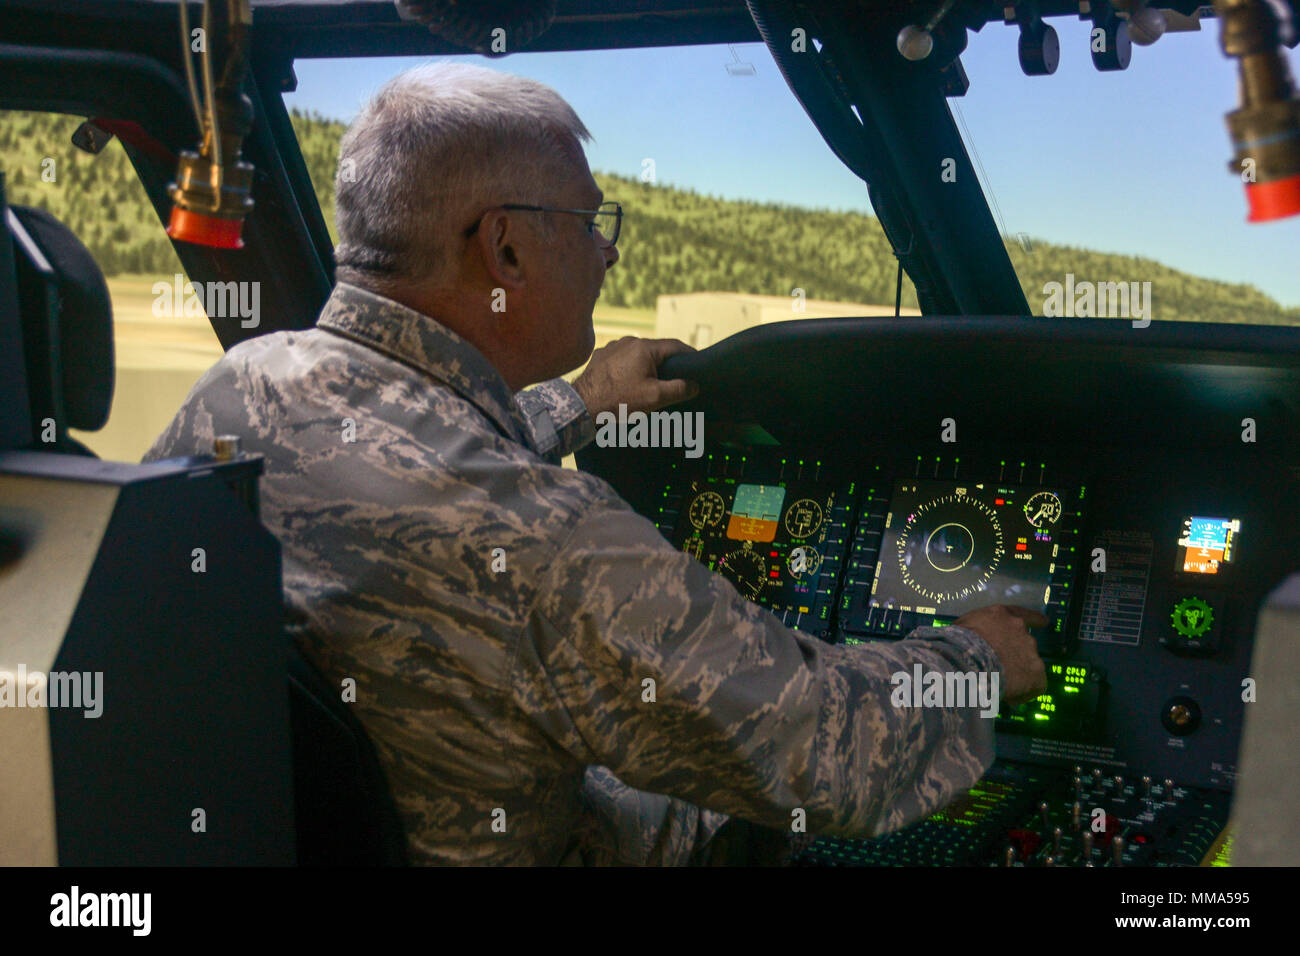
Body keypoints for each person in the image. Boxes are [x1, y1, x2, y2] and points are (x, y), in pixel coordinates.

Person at [144, 62, 1046, 865]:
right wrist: (973, 657)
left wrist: (581, 401)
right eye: (588, 221)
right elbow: (823, 751)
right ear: (504, 247)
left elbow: (409, 452)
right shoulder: (551, 539)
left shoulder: (245, 385)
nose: (607, 249)